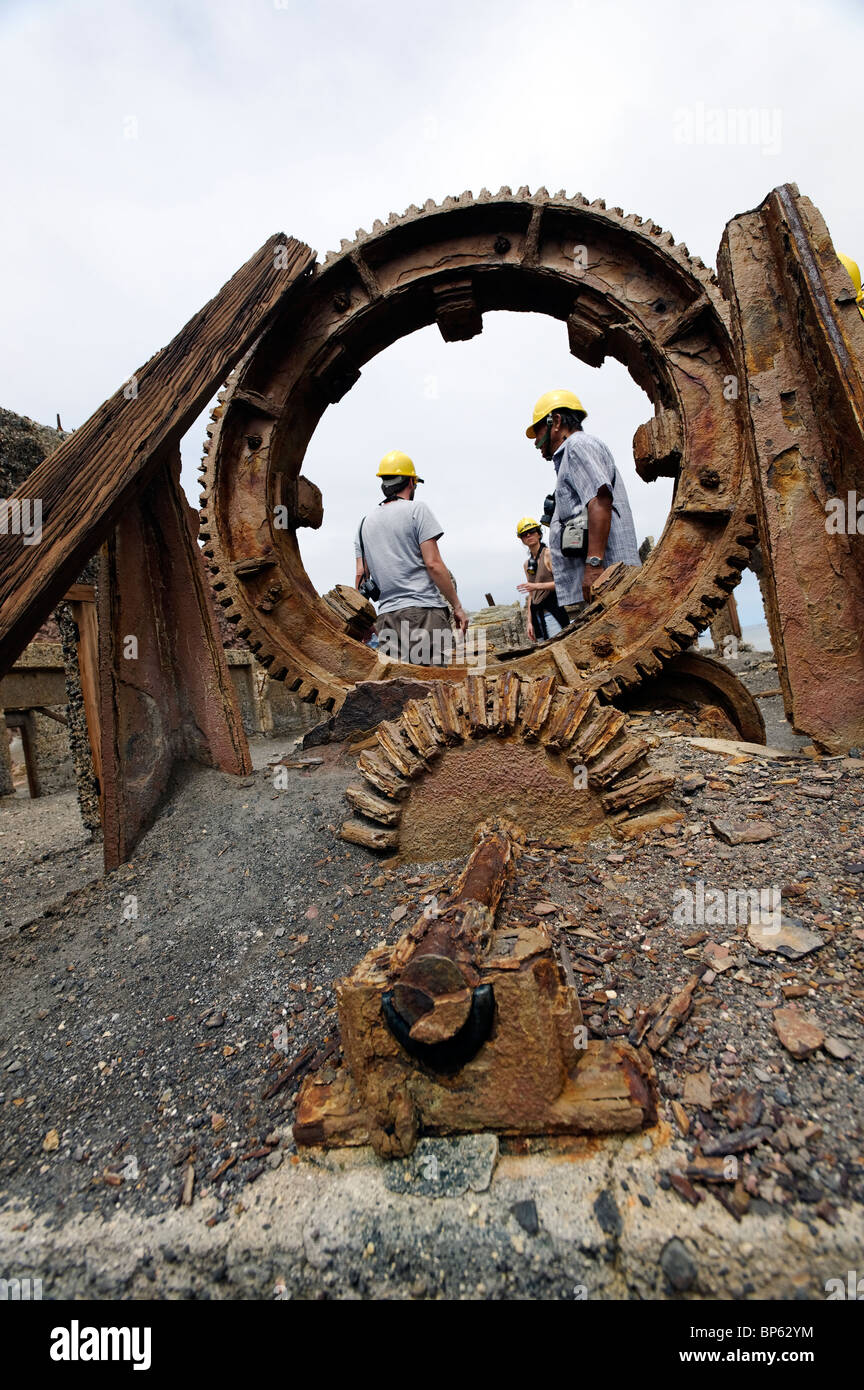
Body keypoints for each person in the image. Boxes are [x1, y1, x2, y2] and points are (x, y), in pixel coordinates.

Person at [525, 389, 640, 618]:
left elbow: (600, 500)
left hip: (606, 578)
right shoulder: (570, 455)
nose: (537, 442)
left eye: (538, 432)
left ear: (555, 421)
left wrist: (594, 565)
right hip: (600, 582)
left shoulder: (578, 446)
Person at [353, 450, 468, 665]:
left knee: (402, 690)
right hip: (423, 614)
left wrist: (364, 620)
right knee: (437, 687)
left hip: (387, 619)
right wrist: (457, 607)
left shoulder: (364, 523)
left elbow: (361, 575)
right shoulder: (417, 510)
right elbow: (433, 564)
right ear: (411, 482)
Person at [514, 516, 569, 642]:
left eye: (532, 532)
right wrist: (529, 622)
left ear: (539, 534)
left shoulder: (549, 554)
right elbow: (531, 595)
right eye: (524, 534)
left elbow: (562, 583)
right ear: (522, 539)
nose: (528, 535)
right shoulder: (527, 564)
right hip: (537, 617)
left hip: (553, 613)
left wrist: (537, 586)